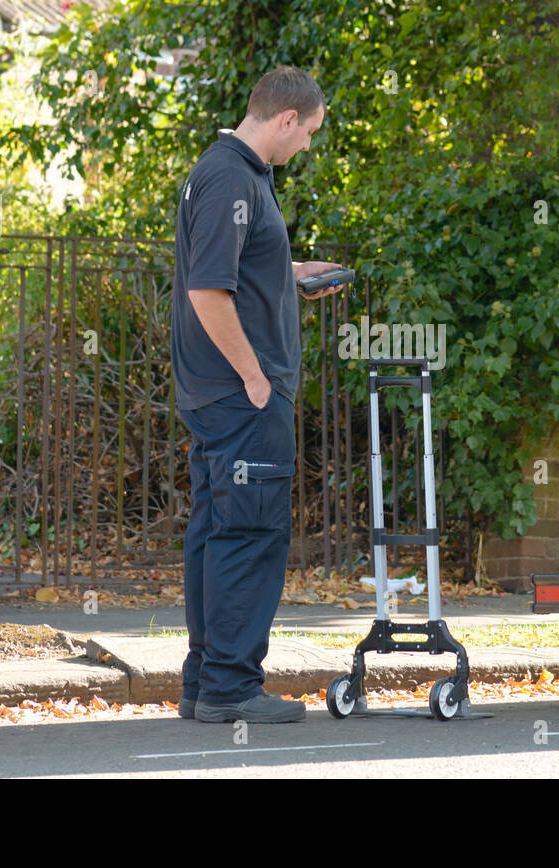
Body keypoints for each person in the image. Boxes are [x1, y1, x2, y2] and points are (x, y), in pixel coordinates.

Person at [171, 66, 345, 723]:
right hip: (242, 394)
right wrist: (254, 376)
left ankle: (204, 683)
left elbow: (232, 270)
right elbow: (207, 293)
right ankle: (230, 688)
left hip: (221, 394)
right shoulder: (231, 179)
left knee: (219, 530)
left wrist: (291, 275)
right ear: (286, 120)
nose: (305, 148)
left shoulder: (228, 175)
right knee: (249, 532)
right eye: (307, 135)